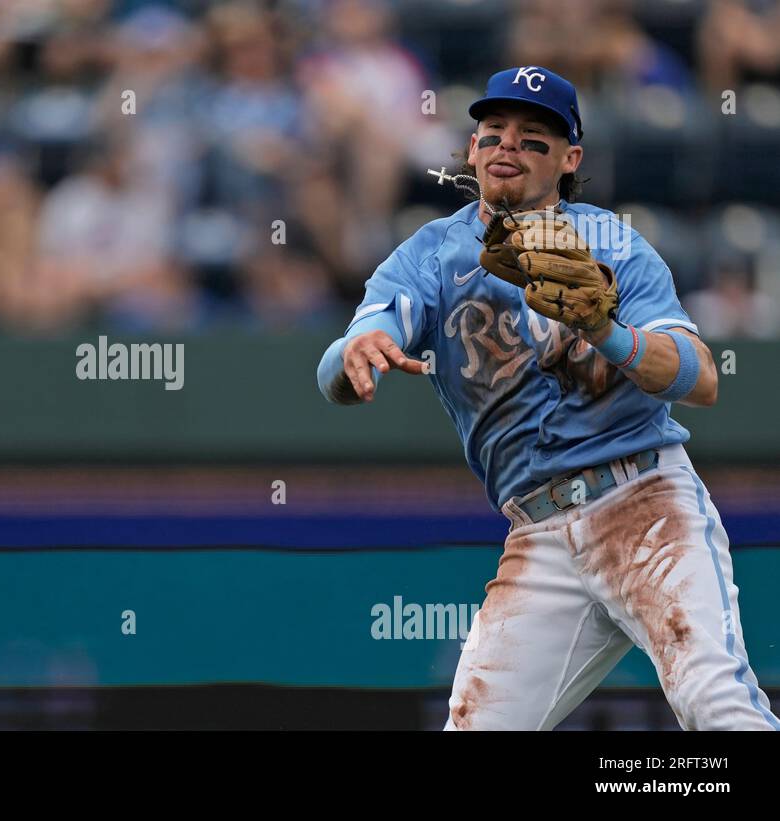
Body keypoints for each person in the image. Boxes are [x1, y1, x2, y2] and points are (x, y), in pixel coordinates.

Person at [316, 66, 779, 730]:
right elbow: (350, 352)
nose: (508, 145)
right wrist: (354, 352)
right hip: (537, 530)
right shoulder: (430, 255)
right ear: (472, 149)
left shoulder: (615, 244)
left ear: (569, 160)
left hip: (644, 502)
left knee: (717, 703)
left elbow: (701, 378)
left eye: (534, 138)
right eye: (493, 131)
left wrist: (605, 332)